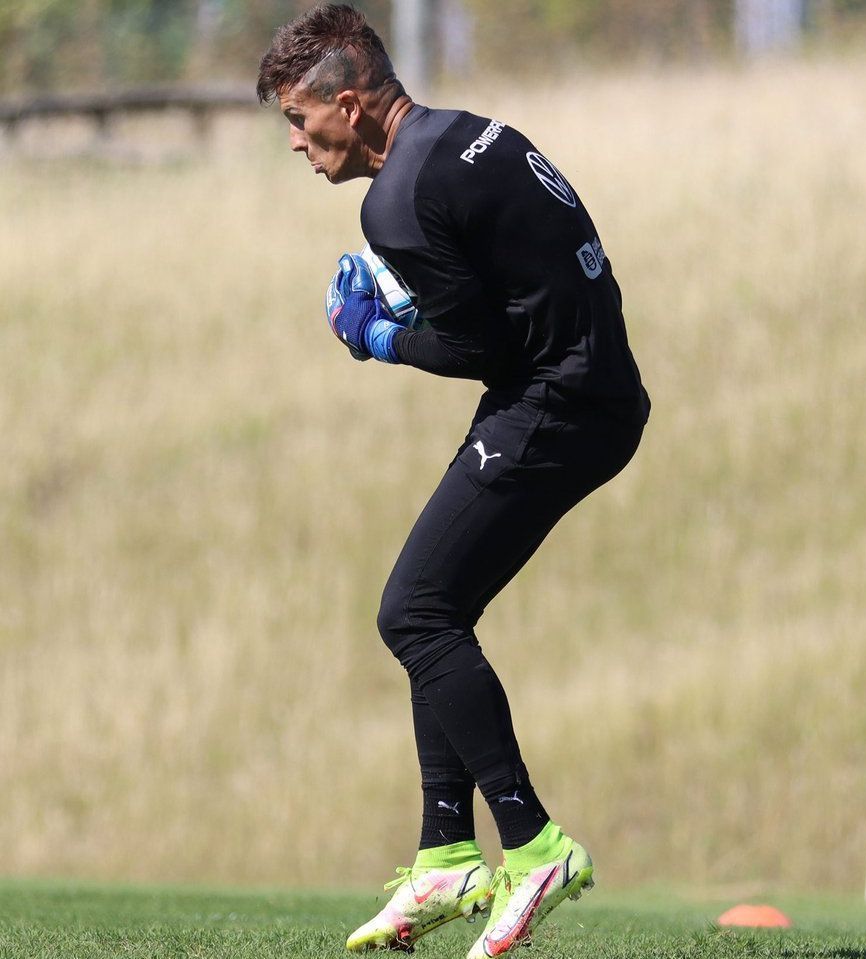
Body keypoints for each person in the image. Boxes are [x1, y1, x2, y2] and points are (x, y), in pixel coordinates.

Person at [257, 5, 650, 956]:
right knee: (434, 607)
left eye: (299, 126)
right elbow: (519, 281)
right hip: (587, 386)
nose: (299, 148)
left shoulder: (391, 202)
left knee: (415, 614)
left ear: (347, 105)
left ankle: (533, 841)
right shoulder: (468, 134)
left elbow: (472, 346)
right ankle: (443, 856)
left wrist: (376, 335)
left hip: (555, 406)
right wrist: (419, 287)